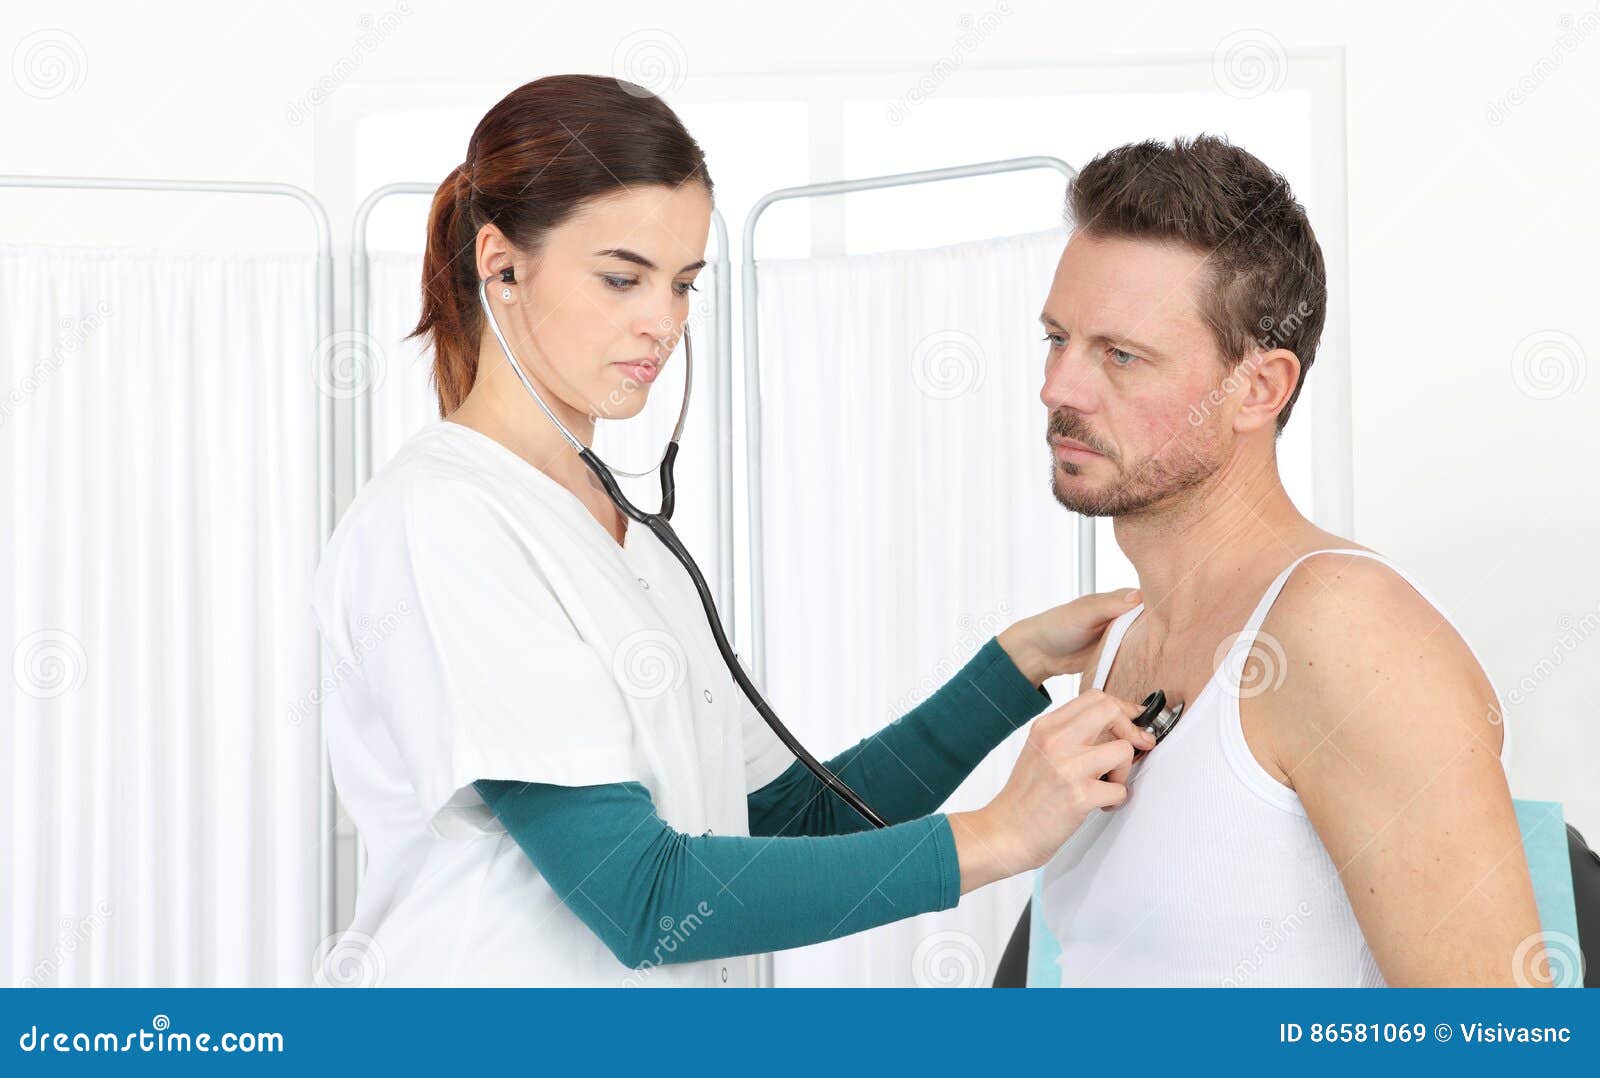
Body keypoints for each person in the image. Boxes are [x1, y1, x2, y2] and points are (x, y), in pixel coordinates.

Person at [310, 74, 1152, 987]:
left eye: (682, 285)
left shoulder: (629, 541)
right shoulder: (444, 520)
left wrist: (1013, 667)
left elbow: (795, 823)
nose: (663, 323)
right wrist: (1000, 836)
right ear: (502, 265)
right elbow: (643, 897)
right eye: (623, 278)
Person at [1033, 134, 1544, 987]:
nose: (1059, 388)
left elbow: (1500, 1038)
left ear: (1260, 388)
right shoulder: (1121, 641)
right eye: (1058, 338)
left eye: (1120, 355)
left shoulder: (1345, 628)